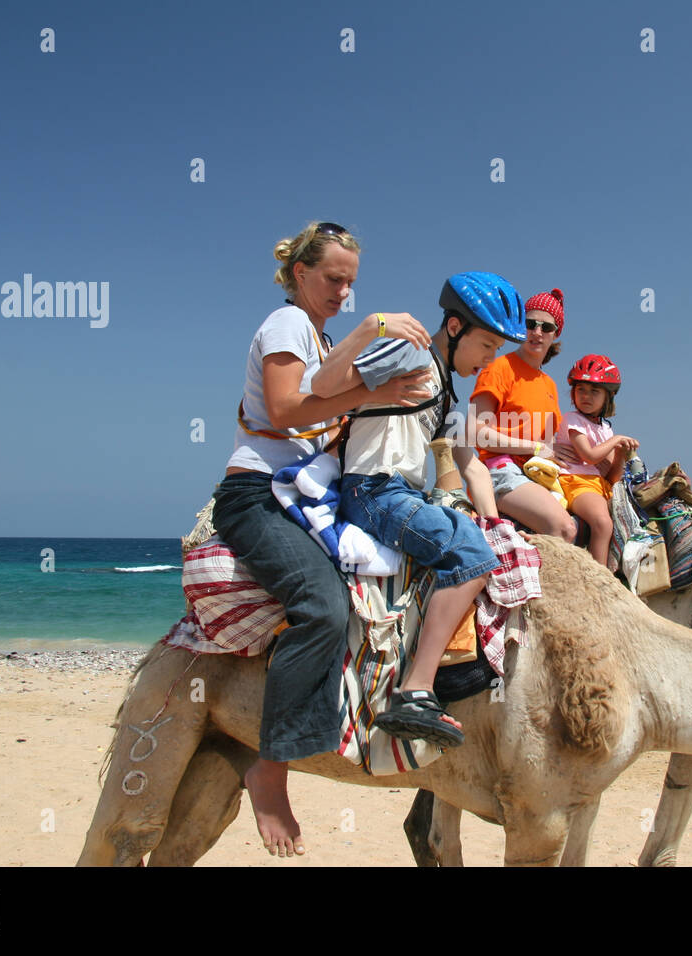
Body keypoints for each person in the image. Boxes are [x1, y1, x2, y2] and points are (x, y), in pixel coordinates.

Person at [211, 221, 434, 858]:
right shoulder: (285, 327)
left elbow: (324, 414)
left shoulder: (317, 335)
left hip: (298, 490)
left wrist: (384, 395)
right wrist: (371, 344)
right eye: (334, 279)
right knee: (324, 607)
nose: (343, 291)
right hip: (256, 494)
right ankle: (270, 769)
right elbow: (284, 413)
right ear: (300, 273)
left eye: (351, 283)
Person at [323, 271, 527, 746]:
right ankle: (415, 691)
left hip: (405, 493)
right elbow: (326, 385)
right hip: (374, 490)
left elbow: (469, 464)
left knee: (485, 537)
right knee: (470, 556)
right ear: (454, 328)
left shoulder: (447, 387)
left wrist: (492, 520)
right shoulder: (412, 350)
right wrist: (372, 329)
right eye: (488, 345)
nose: (489, 359)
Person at [471, 287, 577, 540]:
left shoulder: (549, 384)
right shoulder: (498, 368)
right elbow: (476, 434)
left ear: (555, 334)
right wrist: (536, 448)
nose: (537, 332)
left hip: (538, 472)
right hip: (500, 470)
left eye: (546, 327)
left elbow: (552, 443)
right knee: (564, 528)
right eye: (530, 324)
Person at [552, 354, 640, 565]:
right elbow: (589, 456)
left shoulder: (606, 428)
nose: (586, 396)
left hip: (599, 484)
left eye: (594, 391)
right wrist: (617, 440)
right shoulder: (573, 420)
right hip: (577, 482)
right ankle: (600, 578)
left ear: (607, 397)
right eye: (581, 389)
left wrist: (620, 453)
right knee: (602, 523)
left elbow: (610, 474)